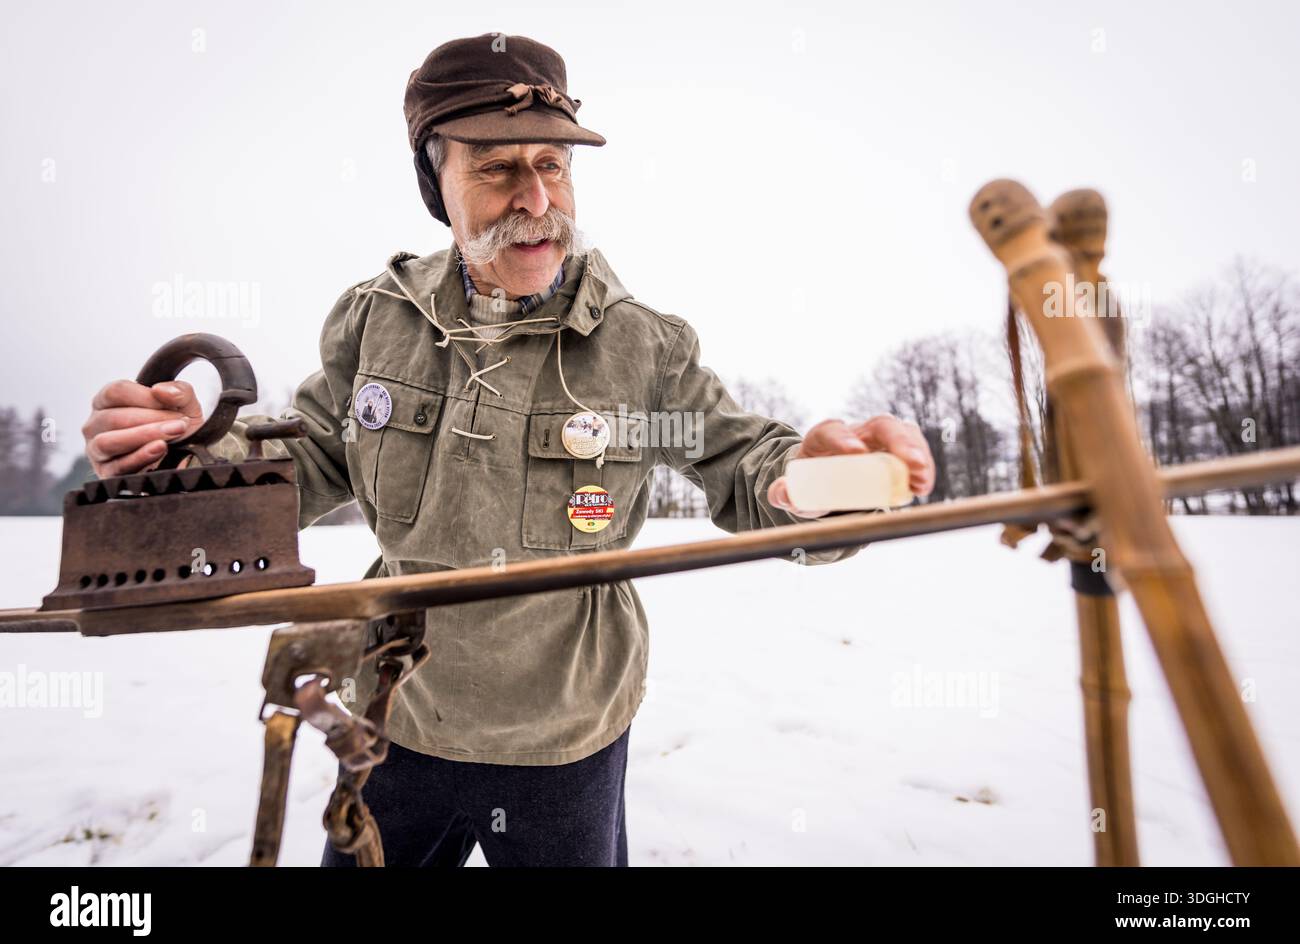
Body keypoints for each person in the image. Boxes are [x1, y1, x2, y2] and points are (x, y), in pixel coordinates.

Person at [79, 33, 936, 867]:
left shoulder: (643, 347)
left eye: (553, 165)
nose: (535, 198)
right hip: (393, 720)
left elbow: (745, 467)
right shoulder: (374, 321)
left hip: (564, 739)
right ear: (434, 180)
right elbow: (300, 470)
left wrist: (821, 485)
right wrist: (181, 460)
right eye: (496, 167)